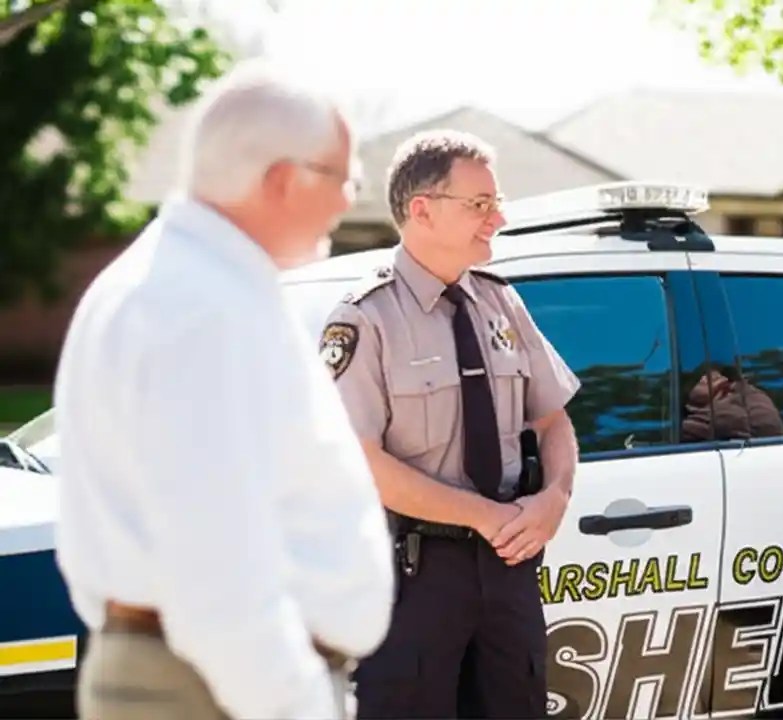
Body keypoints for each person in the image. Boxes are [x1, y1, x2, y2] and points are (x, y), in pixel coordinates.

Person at [53, 61, 394, 720]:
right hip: (212, 690)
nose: (351, 197)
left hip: (201, 679)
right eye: (344, 175)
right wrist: (298, 704)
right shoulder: (202, 310)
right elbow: (217, 570)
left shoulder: (177, 286)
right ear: (283, 179)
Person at [321, 129, 581, 719]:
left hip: (510, 566)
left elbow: (553, 419)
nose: (497, 217)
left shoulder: (501, 303)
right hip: (414, 575)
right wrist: (484, 516)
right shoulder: (365, 318)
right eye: (480, 204)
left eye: (497, 202)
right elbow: (361, 463)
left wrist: (555, 498)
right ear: (422, 210)